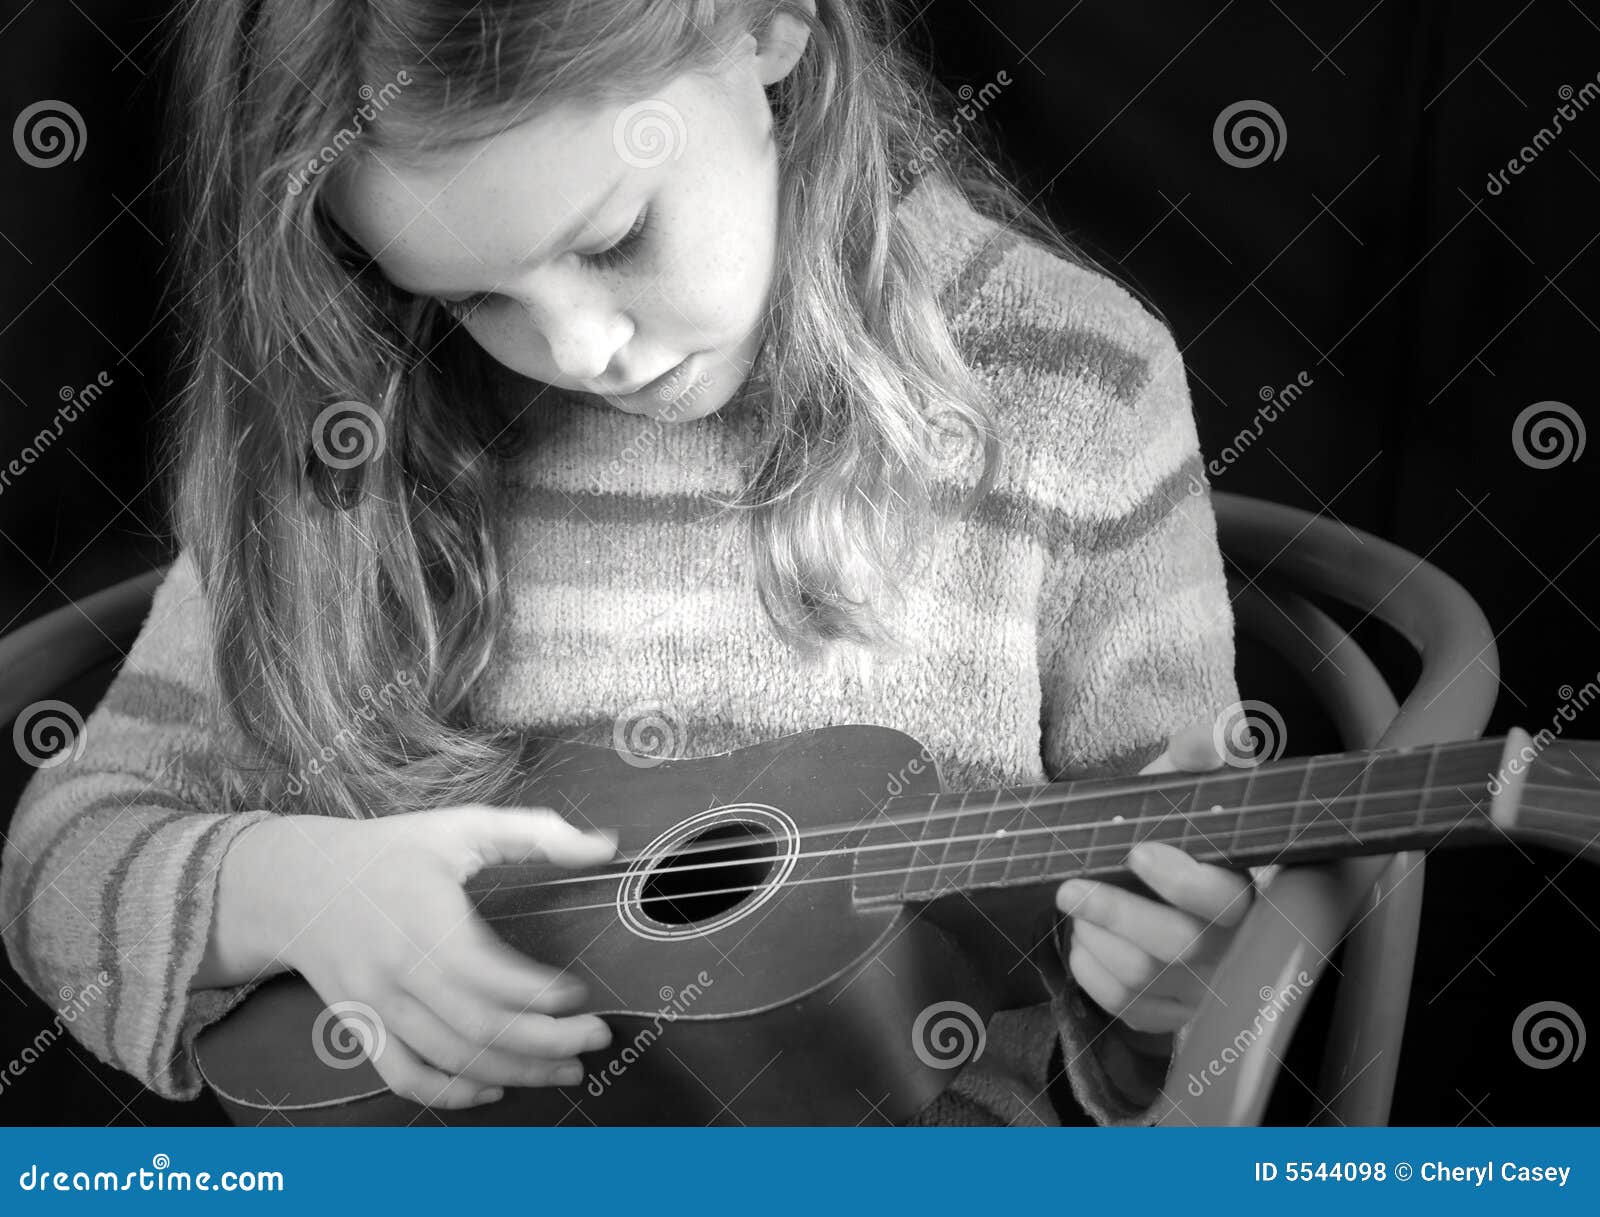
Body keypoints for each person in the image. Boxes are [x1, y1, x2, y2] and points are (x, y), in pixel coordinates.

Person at [0, 0, 1247, 1125]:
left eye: (614, 238)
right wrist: (289, 886)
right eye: (477, 298)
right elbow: (63, 867)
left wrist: (1170, 995)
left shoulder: (1077, 390)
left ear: (767, 31)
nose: (582, 345)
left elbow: (1175, 980)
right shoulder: (357, 433)